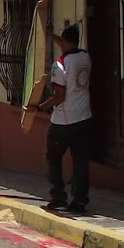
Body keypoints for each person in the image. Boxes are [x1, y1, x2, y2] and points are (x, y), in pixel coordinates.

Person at [44, 24, 93, 214]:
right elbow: (68, 46)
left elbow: (59, 96)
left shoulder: (60, 64)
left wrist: (39, 107)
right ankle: (80, 200)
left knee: (53, 159)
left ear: (63, 41)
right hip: (84, 118)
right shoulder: (85, 57)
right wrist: (53, 36)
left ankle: (58, 196)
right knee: (80, 161)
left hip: (63, 122)